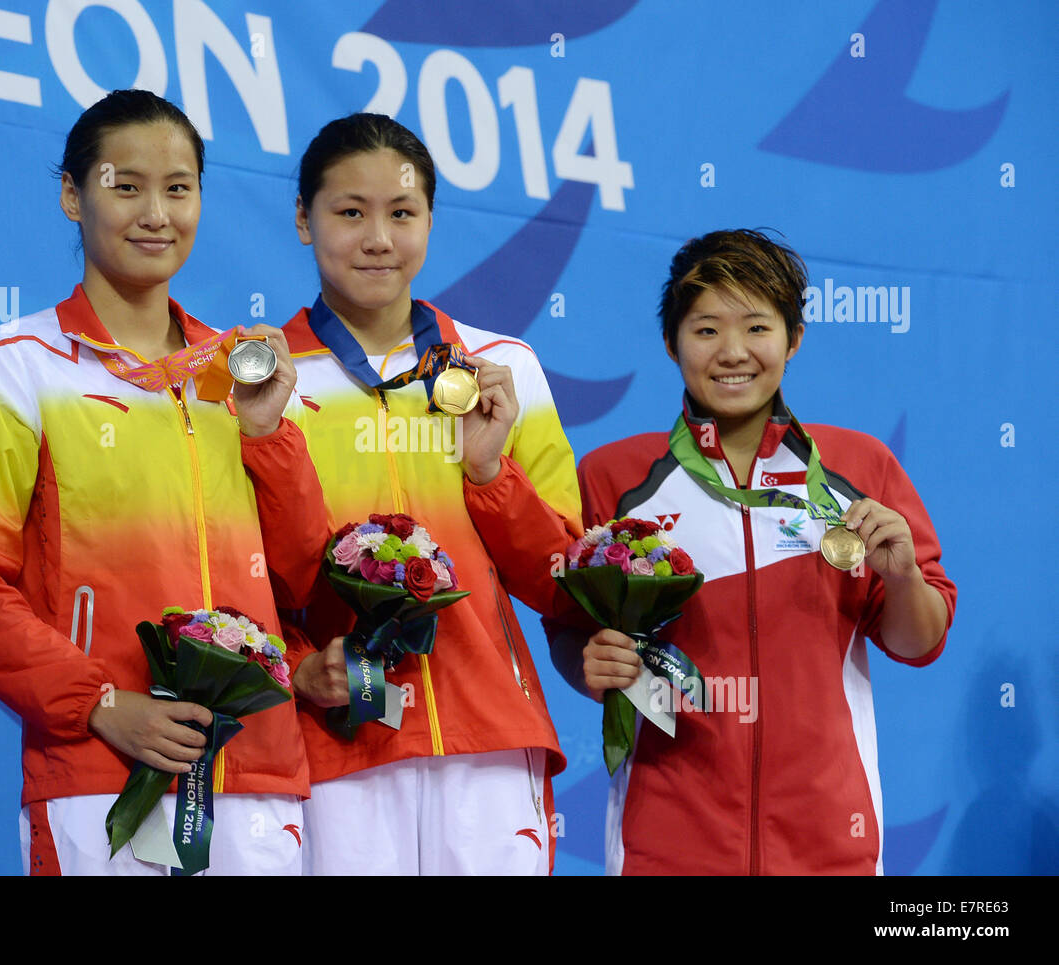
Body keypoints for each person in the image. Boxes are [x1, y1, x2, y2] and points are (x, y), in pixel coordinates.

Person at [0, 89, 328, 875]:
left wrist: (266, 434)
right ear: (73, 195)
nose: (156, 213)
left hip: (258, 774)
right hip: (103, 772)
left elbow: (304, 574)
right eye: (126, 185)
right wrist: (102, 705)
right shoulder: (13, 367)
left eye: (178, 188)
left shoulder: (245, 370)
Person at [544, 228, 955, 875]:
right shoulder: (612, 477)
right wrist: (588, 663)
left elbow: (917, 642)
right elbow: (570, 632)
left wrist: (903, 578)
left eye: (757, 327)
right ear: (671, 342)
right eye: (706, 329)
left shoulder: (859, 467)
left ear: (793, 338)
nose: (733, 352)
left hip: (829, 842)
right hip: (667, 840)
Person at [276, 113, 582, 875]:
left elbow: (564, 583)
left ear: (431, 222)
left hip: (486, 738)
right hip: (337, 738)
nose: (379, 237)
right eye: (350, 212)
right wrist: (295, 665)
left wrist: (488, 473)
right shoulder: (260, 382)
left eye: (402, 213)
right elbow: (235, 571)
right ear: (303, 220)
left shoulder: (499, 369)